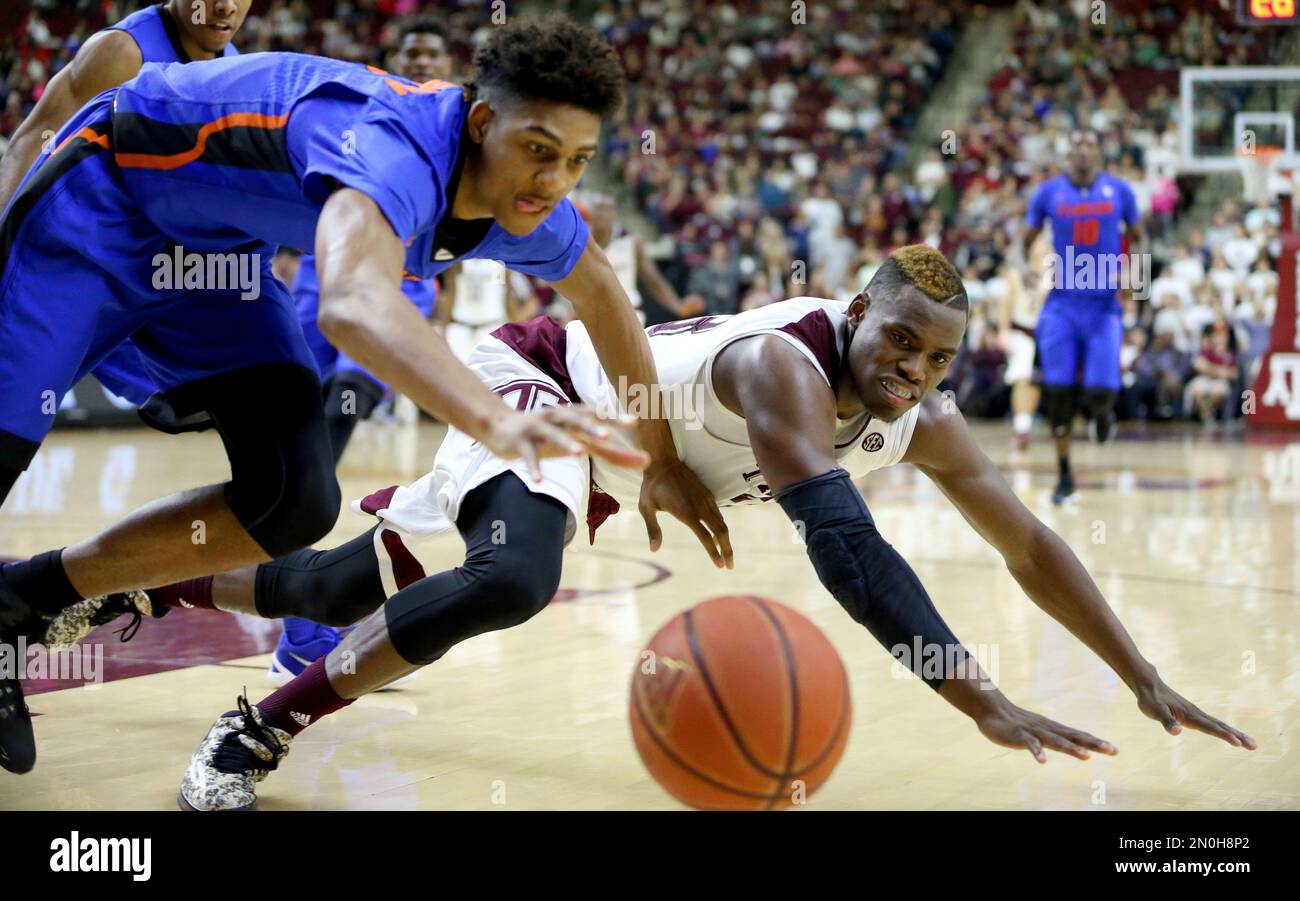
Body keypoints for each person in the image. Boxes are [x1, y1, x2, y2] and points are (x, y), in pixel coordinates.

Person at [101, 246, 1250, 811]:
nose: (913, 371)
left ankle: (150, 589)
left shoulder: (923, 416)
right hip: (547, 381)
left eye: (938, 358)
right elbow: (850, 553)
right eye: (899, 341)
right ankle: (257, 731)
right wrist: (976, 693)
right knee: (513, 580)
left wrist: (1137, 672)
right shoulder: (784, 373)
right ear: (856, 311)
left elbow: (1031, 549)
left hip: (609, 446)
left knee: (339, 587)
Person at [0, 15, 729, 776]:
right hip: (100, 193)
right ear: (482, 122)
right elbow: (348, 304)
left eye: (577, 160)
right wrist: (497, 421)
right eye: (539, 151)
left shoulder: (530, 206)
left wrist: (663, 457)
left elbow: (605, 294)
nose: (555, 181)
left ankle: (22, 600)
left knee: (293, 501)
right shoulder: (398, 144)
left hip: (215, 259)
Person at [270, 17, 459, 686]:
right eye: (411, 49)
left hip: (393, 303)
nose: (421, 57)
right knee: (297, 469)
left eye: (432, 51)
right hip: (320, 292)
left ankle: (306, 620)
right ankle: (302, 625)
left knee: (339, 422)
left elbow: (456, 253)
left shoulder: (462, 132)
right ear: (394, 55)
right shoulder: (365, 110)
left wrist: (440, 311)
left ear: (448, 61)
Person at [0, 0, 251, 417]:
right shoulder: (124, 53)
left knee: (254, 422)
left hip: (153, 282)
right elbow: (30, 144)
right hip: (75, 268)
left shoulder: (236, 67)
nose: (223, 6)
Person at [1022, 129, 1147, 505]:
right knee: (1058, 394)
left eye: (1089, 144)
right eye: (1076, 145)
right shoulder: (1048, 193)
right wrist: (1025, 269)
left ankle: (1102, 415)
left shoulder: (1120, 191)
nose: (1082, 151)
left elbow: (1139, 237)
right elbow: (1024, 237)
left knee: (1101, 390)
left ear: (1099, 152)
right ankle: (1064, 477)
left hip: (1104, 304)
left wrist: (1135, 278)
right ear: (1068, 154)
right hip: (1061, 303)